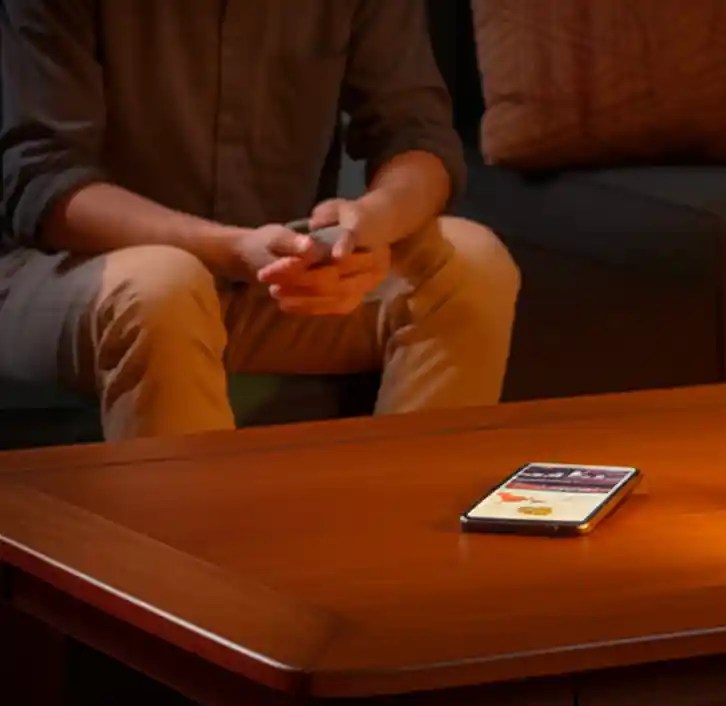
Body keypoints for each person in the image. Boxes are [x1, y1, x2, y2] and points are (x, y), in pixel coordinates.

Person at [0, 1, 520, 441]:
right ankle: (188, 560)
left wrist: (370, 223)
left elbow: (417, 136)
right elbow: (43, 182)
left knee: (470, 264)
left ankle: (403, 545)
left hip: (271, 276)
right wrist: (227, 248)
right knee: (163, 286)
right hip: (65, 277)